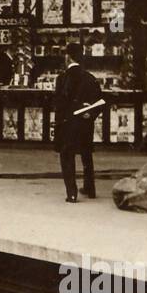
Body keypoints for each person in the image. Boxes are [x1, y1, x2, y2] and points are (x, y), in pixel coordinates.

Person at [53, 43, 103, 203]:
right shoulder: (89, 77)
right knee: (86, 154)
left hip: (68, 123)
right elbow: (100, 101)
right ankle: (90, 188)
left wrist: (59, 121)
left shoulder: (62, 78)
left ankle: (72, 193)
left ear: (68, 57)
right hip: (84, 123)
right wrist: (90, 113)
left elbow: (59, 103)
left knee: (67, 156)